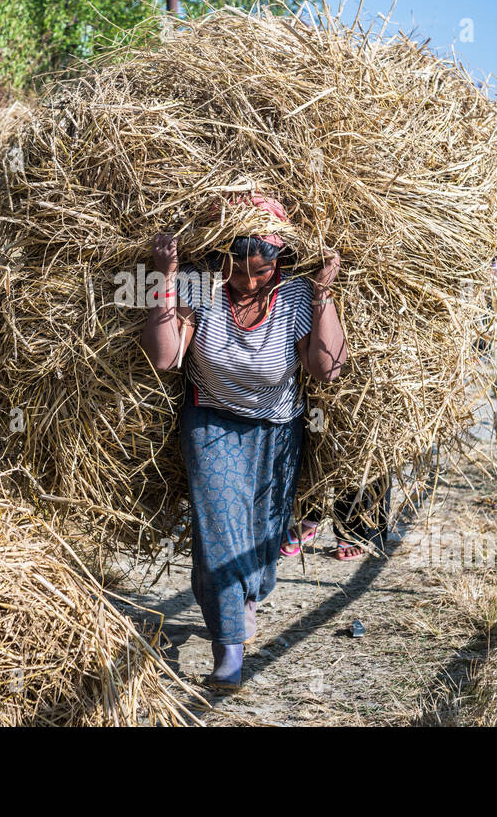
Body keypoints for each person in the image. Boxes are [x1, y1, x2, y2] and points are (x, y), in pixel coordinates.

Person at [139, 194, 347, 688]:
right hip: (210, 419)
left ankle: (250, 592)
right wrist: (165, 279)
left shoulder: (296, 295)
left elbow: (328, 368)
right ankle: (228, 651)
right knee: (218, 527)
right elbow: (165, 358)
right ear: (219, 256)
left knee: (263, 539)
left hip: (278, 429)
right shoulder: (199, 285)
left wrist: (323, 296)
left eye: (261, 270)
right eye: (239, 269)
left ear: (279, 258)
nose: (250, 281)